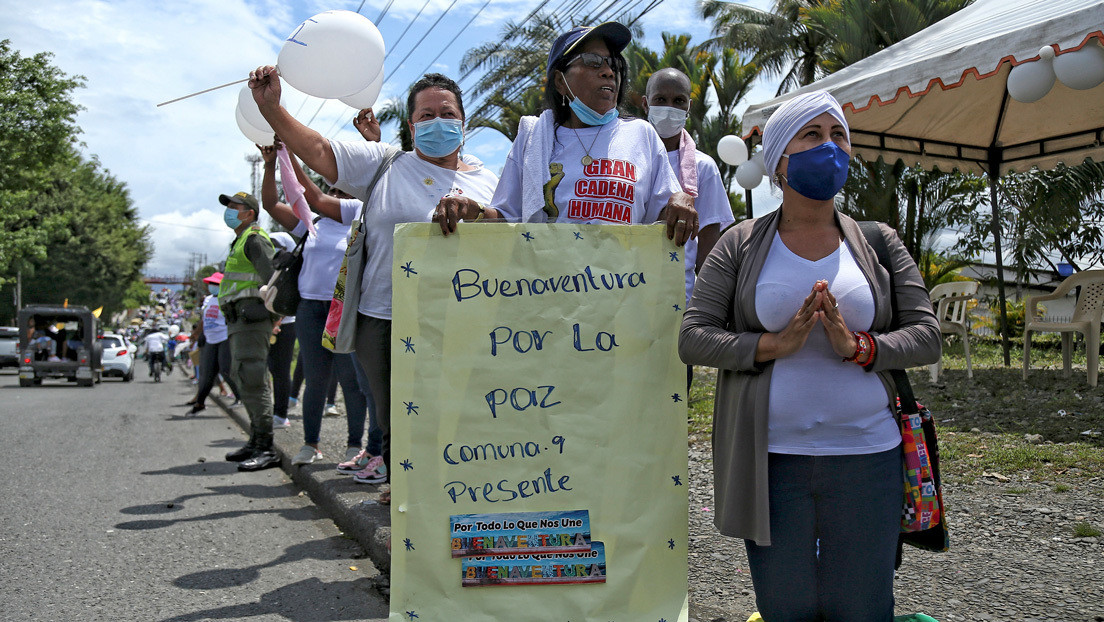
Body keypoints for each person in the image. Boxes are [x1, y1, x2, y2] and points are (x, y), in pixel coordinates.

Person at [678, 90, 941, 622]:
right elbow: (693, 336)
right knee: (786, 607)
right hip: (771, 462)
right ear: (779, 160)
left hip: (869, 457)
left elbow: (927, 335)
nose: (830, 146)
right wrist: (772, 345)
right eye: (813, 135)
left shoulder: (879, 241)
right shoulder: (740, 243)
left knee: (862, 609)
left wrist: (860, 346)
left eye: (839, 135)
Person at [249, 69, 500, 503]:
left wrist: (479, 212)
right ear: (411, 126)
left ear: (464, 122)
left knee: (458, 410)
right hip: (383, 318)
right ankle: (407, 498)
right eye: (426, 115)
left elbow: (515, 231)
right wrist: (272, 108)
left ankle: (456, 491)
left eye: (447, 113)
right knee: (395, 414)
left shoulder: (489, 180)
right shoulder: (385, 163)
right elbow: (320, 150)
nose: (438, 122)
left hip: (462, 319)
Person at [486, 22, 696, 245]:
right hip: (547, 268)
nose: (608, 72)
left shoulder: (641, 135)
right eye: (592, 61)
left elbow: (663, 216)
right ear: (560, 81)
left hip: (623, 268)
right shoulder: (533, 140)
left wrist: (680, 201)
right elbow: (506, 218)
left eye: (614, 64)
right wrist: (475, 211)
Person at [257, 140, 380, 471]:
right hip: (309, 310)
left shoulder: (361, 224)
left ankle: (354, 445)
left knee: (351, 382)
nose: (335, 194)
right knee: (315, 379)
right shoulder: (310, 223)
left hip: (344, 309)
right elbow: (270, 204)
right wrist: (271, 163)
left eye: (342, 191)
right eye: (331, 189)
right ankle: (310, 444)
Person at [641, 67, 735, 390]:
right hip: (622, 297)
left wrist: (704, 313)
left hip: (675, 306)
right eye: (660, 99)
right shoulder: (625, 163)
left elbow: (709, 251)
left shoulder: (703, 168)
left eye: (678, 100)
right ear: (645, 104)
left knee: (671, 395)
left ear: (689, 107)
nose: (669, 108)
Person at [218, 191, 280, 472]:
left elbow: (275, 281)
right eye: (228, 207)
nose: (229, 211)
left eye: (235, 207)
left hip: (252, 319)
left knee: (253, 378)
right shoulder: (241, 240)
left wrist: (274, 316)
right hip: (240, 321)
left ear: (249, 213)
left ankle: (266, 447)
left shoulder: (254, 239)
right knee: (243, 376)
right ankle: (256, 440)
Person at [186, 272, 241, 415]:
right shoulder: (208, 300)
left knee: (225, 369)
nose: (213, 286)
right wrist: (197, 333)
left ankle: (239, 397)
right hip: (210, 338)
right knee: (206, 373)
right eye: (211, 284)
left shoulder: (228, 299)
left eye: (216, 284)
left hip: (224, 337)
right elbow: (204, 320)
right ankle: (200, 402)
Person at [266, 231, 298, 430]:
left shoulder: (292, 270)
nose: (273, 249)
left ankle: (281, 414)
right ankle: (272, 410)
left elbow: (291, 298)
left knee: (281, 370)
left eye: (277, 245)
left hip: (285, 325)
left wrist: (277, 321)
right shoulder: (268, 268)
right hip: (267, 324)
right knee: (270, 368)